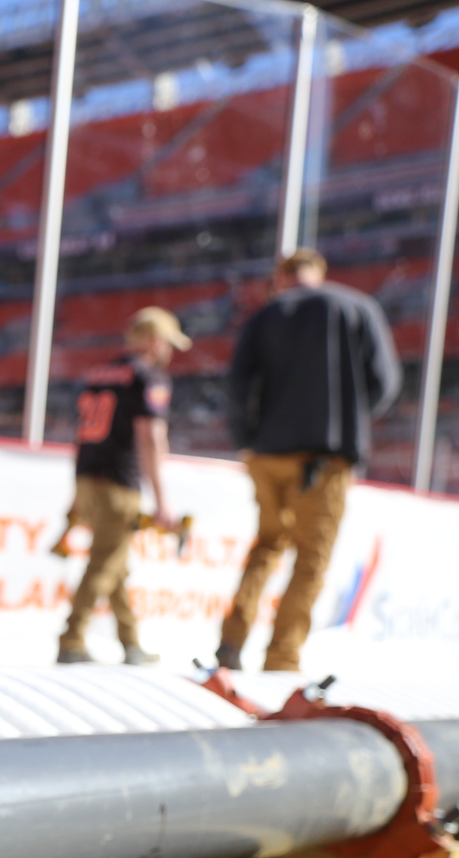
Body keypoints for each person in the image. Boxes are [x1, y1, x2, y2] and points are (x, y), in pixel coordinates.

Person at [217, 248, 402, 671]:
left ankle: (230, 643)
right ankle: (281, 657)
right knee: (311, 558)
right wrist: (349, 419)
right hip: (325, 458)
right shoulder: (356, 306)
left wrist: (248, 440)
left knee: (267, 546)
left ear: (283, 277)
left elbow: (237, 387)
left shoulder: (264, 316)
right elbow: (385, 382)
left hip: (267, 455)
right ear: (318, 272)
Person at [56, 306, 190, 665]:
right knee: (104, 563)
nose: (169, 352)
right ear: (156, 341)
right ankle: (71, 641)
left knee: (115, 564)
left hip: (88, 476)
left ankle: (130, 642)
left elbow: (82, 434)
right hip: (119, 480)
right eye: (168, 344)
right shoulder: (149, 377)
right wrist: (162, 500)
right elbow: (150, 437)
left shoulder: (98, 373)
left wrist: (76, 492)